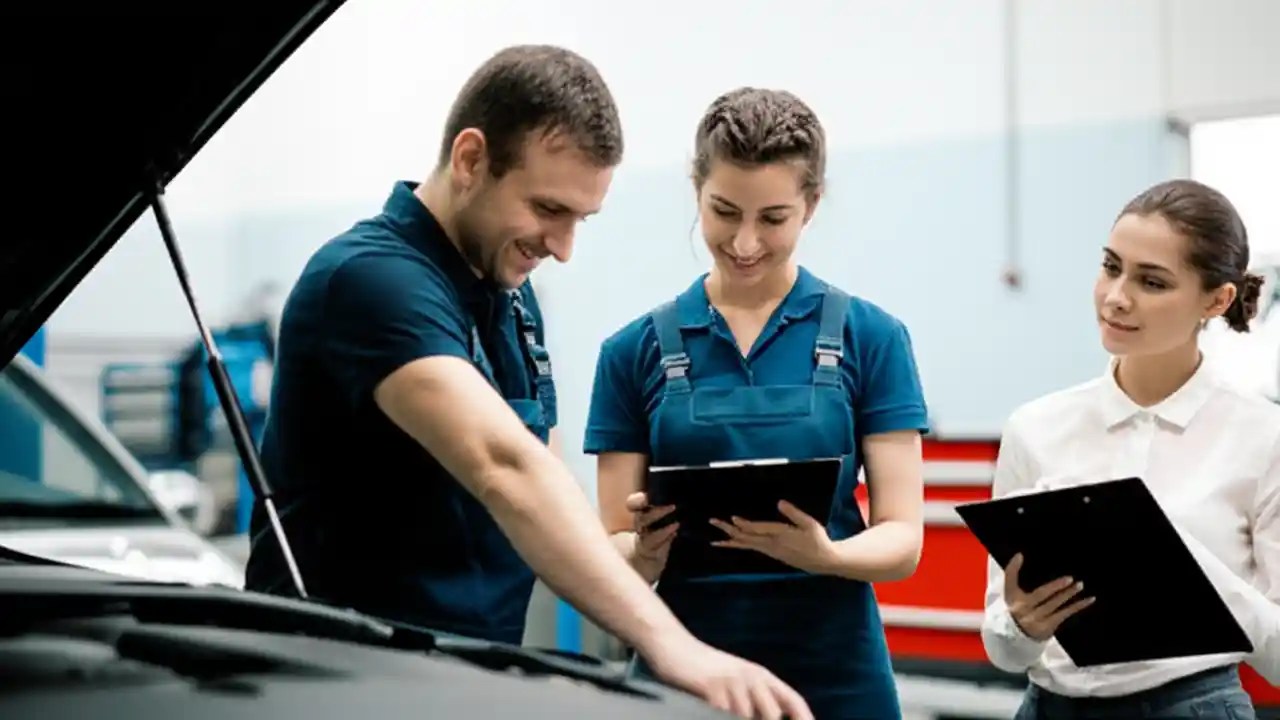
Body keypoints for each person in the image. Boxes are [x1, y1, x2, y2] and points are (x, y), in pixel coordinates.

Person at [242, 45, 812, 720]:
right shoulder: (369, 280)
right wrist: (674, 648)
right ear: (470, 160)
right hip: (335, 687)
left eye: (580, 220)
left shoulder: (509, 293)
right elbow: (504, 466)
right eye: (548, 208)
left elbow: (543, 477)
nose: (563, 247)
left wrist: (635, 557)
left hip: (466, 682)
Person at [585, 86, 930, 719]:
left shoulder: (873, 338)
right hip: (685, 677)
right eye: (724, 212)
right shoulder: (631, 352)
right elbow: (609, 553)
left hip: (838, 677)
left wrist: (826, 556)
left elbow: (903, 539)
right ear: (696, 189)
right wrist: (642, 552)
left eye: (773, 219)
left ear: (811, 205)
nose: (745, 243)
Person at [981, 178, 1280, 719]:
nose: (1116, 297)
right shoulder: (1034, 428)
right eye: (1111, 267)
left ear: (1217, 300)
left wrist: (1177, 559)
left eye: (1152, 281)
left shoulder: (1264, 437)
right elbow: (1004, 652)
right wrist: (1022, 625)